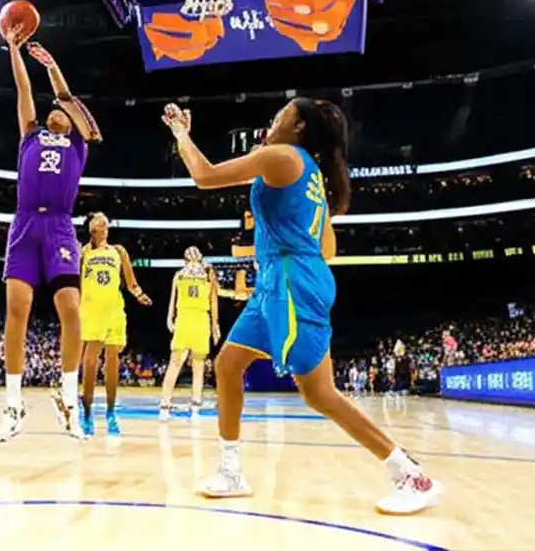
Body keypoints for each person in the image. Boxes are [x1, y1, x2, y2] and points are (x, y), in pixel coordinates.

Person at [161, 98, 441, 515]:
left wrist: (181, 133)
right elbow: (327, 245)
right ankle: (231, 470)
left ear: (300, 129)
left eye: (281, 116)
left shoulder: (283, 156)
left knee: (319, 393)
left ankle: (409, 474)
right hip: (284, 278)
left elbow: (204, 176)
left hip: (290, 281)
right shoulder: (313, 178)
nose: (273, 120)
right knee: (228, 364)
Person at [0, 30, 102, 442]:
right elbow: (23, 87)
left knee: (71, 311)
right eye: (52, 109)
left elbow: (69, 100)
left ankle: (68, 398)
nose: (55, 110)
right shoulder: (30, 134)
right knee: (16, 312)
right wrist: (15, 49)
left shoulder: (79, 143)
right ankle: (12, 403)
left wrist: (53, 67)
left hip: (60, 225)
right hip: (24, 224)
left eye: (62, 108)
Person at [77, 212, 151, 436]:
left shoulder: (118, 251)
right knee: (90, 362)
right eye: (98, 218)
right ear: (91, 227)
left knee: (112, 363)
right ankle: (87, 412)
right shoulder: (84, 252)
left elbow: (131, 282)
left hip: (114, 312)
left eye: (105, 219)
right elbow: (73, 280)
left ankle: (111, 413)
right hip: (91, 311)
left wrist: (139, 295)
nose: (103, 220)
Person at [159, 246, 219, 421]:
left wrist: (215, 325)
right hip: (189, 318)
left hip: (198, 318)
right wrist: (170, 319)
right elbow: (174, 298)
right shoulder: (180, 275)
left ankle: (188, 407)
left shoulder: (207, 273)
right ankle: (172, 405)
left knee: (190, 364)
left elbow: (213, 299)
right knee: (183, 362)